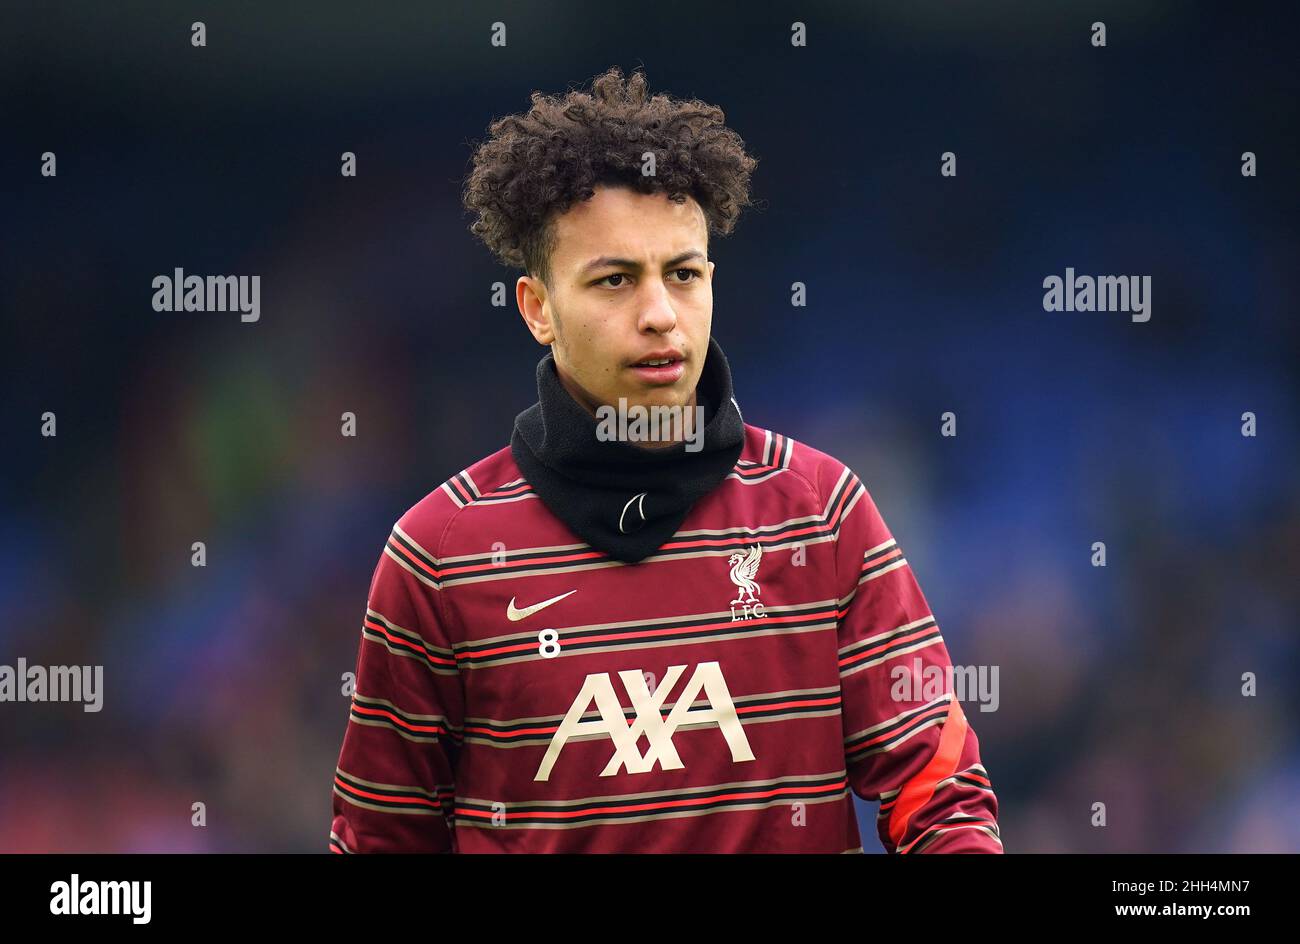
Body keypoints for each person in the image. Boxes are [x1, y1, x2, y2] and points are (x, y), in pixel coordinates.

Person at [329, 67, 1002, 853]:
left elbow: (940, 792)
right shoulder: (437, 556)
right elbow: (382, 840)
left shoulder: (821, 512)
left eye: (682, 275)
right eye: (613, 280)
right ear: (538, 309)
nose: (658, 315)